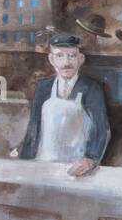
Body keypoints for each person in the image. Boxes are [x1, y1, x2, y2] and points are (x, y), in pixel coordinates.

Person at [15, 33, 110, 175]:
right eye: (60, 56)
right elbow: (34, 126)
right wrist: (24, 160)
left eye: (71, 56)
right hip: (42, 164)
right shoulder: (43, 87)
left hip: (75, 168)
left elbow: (101, 128)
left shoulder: (91, 88)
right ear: (51, 59)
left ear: (81, 59)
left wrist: (90, 159)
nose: (66, 62)